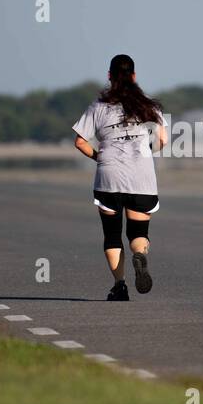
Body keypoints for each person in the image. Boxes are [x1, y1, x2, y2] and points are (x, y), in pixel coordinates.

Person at [72, 53, 168, 301]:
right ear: (134, 76)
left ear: (109, 76)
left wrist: (97, 157)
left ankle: (120, 285)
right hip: (141, 176)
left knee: (112, 234)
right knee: (138, 233)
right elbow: (162, 140)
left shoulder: (98, 106)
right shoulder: (149, 106)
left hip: (109, 175)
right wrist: (148, 153)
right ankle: (141, 255)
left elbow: (80, 141)